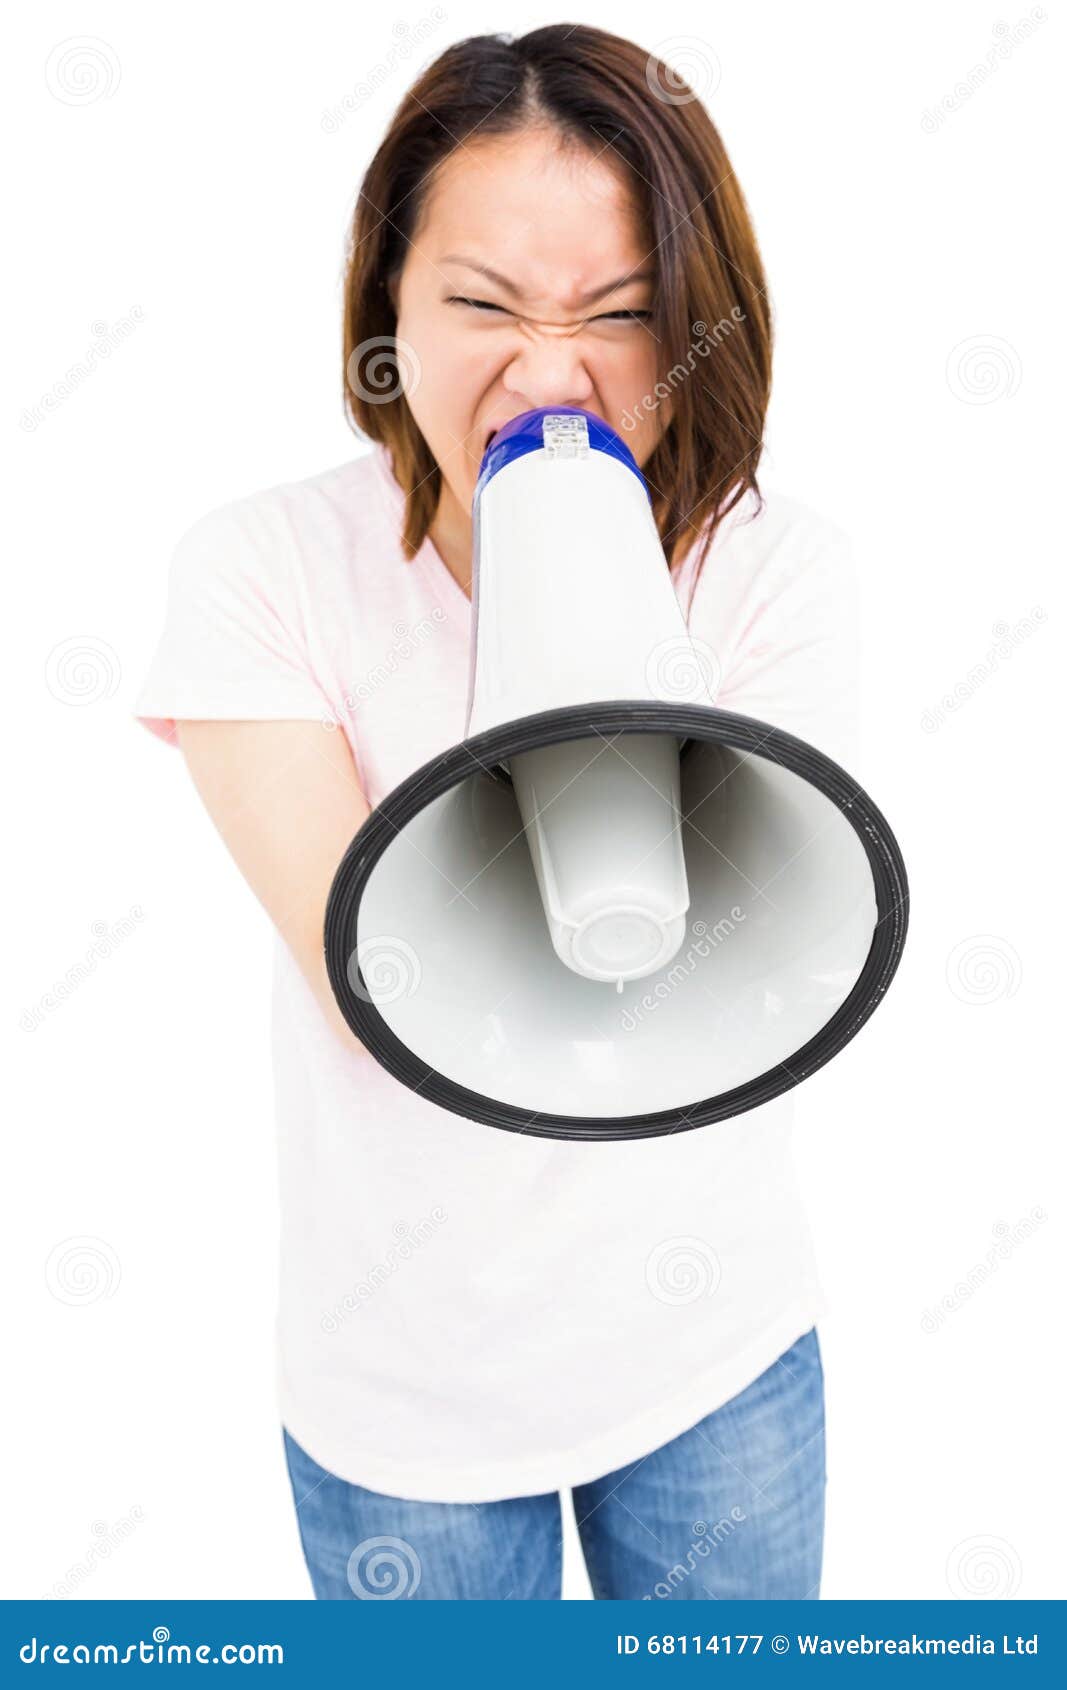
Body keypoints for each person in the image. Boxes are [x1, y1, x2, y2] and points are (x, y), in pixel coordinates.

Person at [133, 25, 861, 1600]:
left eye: (617, 319)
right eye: (477, 306)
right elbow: (379, 975)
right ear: (383, 313)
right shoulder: (258, 573)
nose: (546, 376)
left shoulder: (775, 567)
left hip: (711, 1354)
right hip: (406, 1402)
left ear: (699, 333)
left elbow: (760, 947)